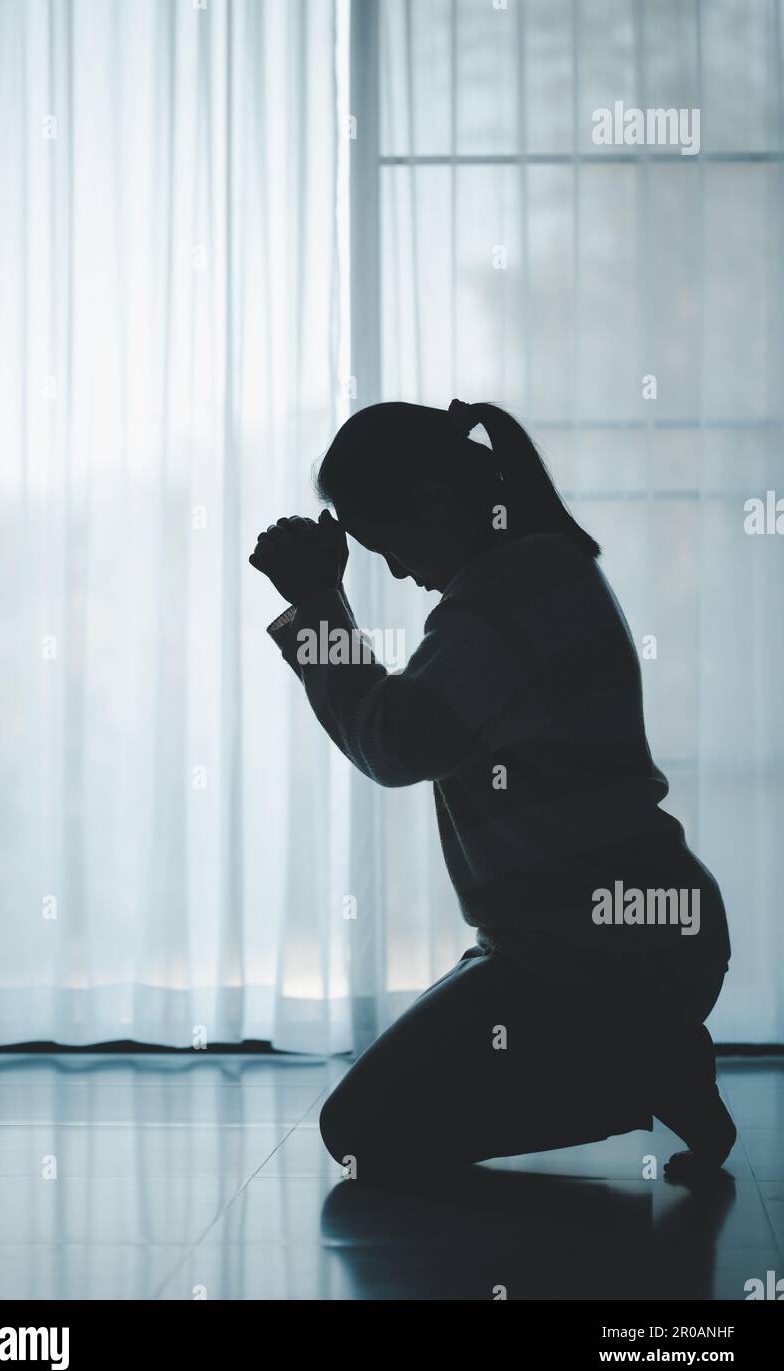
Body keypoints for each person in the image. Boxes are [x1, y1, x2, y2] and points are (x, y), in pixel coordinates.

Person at [249, 399, 736, 1181]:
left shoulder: (507, 593)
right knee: (367, 1122)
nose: (401, 573)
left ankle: (648, 1068)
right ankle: (649, 1057)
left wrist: (316, 604)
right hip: (597, 941)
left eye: (389, 548)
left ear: (436, 504)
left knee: (361, 1131)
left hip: (599, 952)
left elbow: (395, 743)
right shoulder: (535, 571)